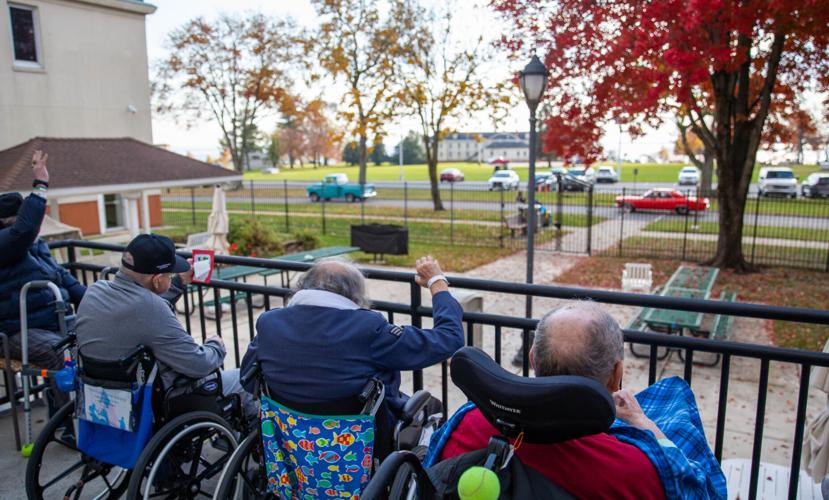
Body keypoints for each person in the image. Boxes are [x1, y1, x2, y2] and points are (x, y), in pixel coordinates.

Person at [434, 301, 726, 499]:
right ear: (616, 375)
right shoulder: (638, 471)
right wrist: (646, 424)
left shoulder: (469, 421)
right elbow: (700, 488)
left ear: (534, 360)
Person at [241, 256, 464, 454]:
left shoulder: (270, 323)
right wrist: (437, 282)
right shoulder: (368, 329)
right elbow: (448, 339)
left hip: (291, 443)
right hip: (358, 449)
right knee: (431, 406)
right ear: (355, 296)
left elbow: (248, 377)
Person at [75, 233, 254, 415]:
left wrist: (178, 282)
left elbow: (142, 308)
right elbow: (199, 364)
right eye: (170, 275)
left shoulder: (95, 291)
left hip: (104, 395)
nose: (171, 277)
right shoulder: (151, 308)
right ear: (157, 279)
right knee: (245, 381)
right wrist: (215, 346)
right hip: (161, 400)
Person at [0, 150, 84, 416]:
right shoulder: (7, 243)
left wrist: (94, 302)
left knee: (100, 337)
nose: (34, 228)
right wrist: (40, 185)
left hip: (52, 321)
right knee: (59, 353)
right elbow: (22, 232)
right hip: (15, 330)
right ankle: (67, 420)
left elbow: (62, 277)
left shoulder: (36, 245)